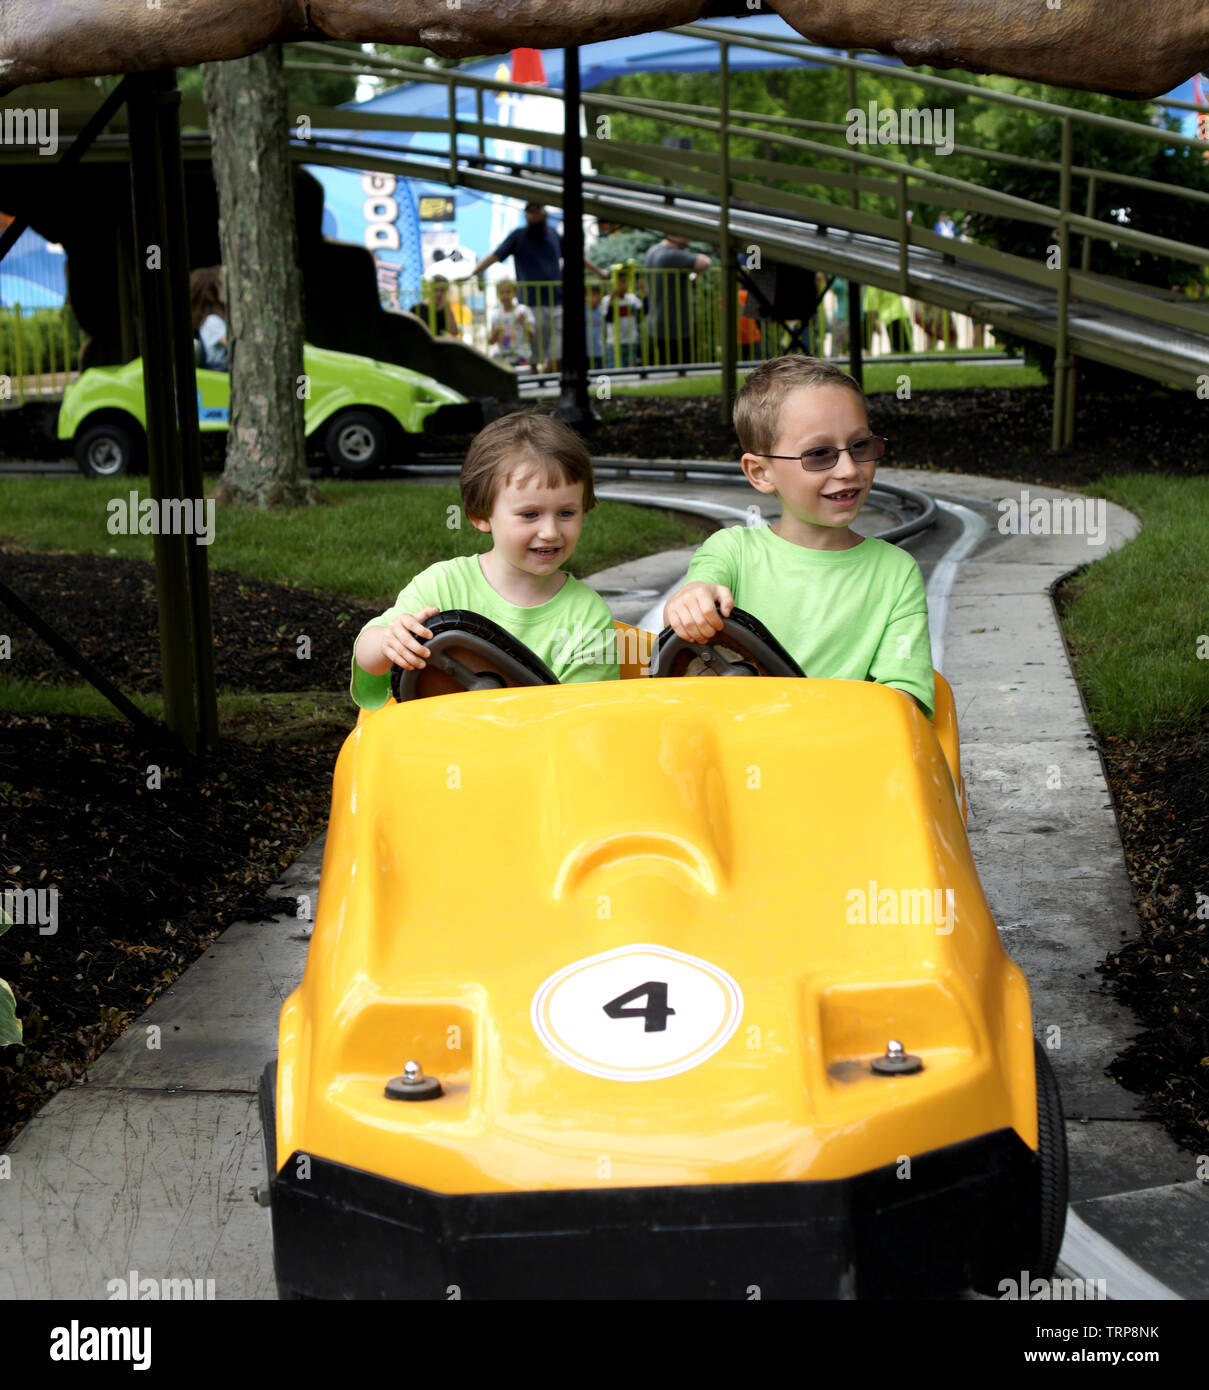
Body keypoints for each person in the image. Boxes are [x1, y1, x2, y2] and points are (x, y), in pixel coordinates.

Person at [662, 355, 934, 718]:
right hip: (739, 753)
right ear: (760, 473)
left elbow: (903, 698)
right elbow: (688, 604)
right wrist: (692, 600)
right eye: (820, 454)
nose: (849, 469)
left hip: (844, 754)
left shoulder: (895, 572)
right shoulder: (732, 552)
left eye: (860, 446)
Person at [350, 412, 620, 708]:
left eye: (566, 513)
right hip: (439, 744)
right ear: (481, 515)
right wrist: (390, 642)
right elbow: (368, 658)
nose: (550, 532)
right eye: (530, 514)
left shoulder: (587, 615)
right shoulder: (442, 585)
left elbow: (587, 717)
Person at [461, 203, 605, 372]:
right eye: (531, 211)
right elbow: (495, 255)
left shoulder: (553, 234)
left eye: (538, 210)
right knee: (533, 353)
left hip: (556, 301)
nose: (534, 214)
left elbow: (574, 256)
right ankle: (538, 387)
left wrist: (599, 271)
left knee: (557, 351)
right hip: (531, 303)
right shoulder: (518, 236)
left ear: (544, 212)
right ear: (526, 214)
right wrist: (472, 273)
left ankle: (553, 387)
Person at [643, 233, 710, 368]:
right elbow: (705, 262)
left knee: (666, 367)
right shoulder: (671, 255)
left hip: (657, 322)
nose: (689, 240)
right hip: (674, 326)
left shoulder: (653, 251)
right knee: (679, 370)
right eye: (685, 234)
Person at [602, 265, 643, 368]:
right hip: (614, 343)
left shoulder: (632, 298)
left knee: (631, 368)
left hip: (631, 341)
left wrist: (643, 291)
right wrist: (612, 300)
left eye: (625, 281)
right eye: (620, 281)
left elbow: (644, 311)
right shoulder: (606, 300)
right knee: (614, 369)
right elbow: (609, 319)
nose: (623, 285)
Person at [488, 279, 533, 368]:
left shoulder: (523, 311)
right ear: (497, 294)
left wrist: (523, 323)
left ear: (515, 293)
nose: (505, 296)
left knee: (520, 373)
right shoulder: (496, 314)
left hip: (521, 355)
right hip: (502, 356)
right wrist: (496, 331)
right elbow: (491, 341)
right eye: (501, 292)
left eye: (508, 292)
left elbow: (531, 336)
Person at [190, 266, 228, 371]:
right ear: (210, 294)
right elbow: (231, 344)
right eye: (222, 285)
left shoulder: (211, 319)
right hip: (219, 370)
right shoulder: (212, 321)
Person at [585, 280, 606, 371]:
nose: (595, 298)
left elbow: (604, 332)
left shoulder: (601, 311)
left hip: (598, 352)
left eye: (597, 295)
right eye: (592, 295)